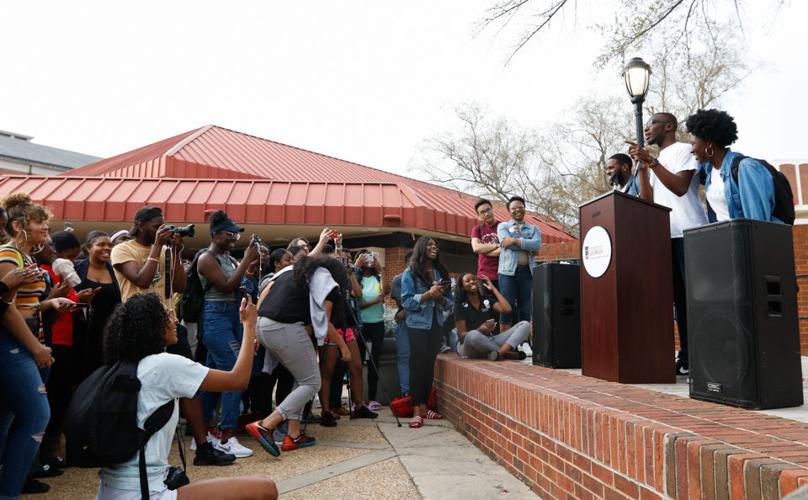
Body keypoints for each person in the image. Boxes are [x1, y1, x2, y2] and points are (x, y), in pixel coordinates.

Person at [96, 293, 278, 500]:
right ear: (151, 326)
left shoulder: (120, 368)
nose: (175, 320)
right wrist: (249, 326)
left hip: (110, 490)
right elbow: (238, 381)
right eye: (167, 316)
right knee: (265, 489)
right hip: (144, 493)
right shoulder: (163, 364)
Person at [111, 206, 233, 467]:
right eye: (155, 226)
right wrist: (157, 247)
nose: (160, 230)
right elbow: (141, 281)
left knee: (188, 385)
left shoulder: (167, 250)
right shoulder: (123, 249)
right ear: (140, 224)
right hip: (138, 326)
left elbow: (180, 286)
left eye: (162, 225)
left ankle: (203, 448)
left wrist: (175, 252)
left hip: (168, 323)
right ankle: (135, 446)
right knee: (139, 385)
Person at [0, 193, 74, 497]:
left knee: (7, 417)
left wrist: (51, 302)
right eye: (39, 222)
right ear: (19, 225)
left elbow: (26, 305)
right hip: (14, 343)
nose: (46, 228)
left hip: (27, 338)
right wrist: (36, 349)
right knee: (36, 416)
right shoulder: (9, 254)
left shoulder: (26, 257)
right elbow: (5, 309)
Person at [628, 113, 709, 376]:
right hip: (666, 237)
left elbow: (681, 187)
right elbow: (650, 200)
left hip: (691, 234)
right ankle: (686, 358)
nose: (647, 129)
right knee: (679, 302)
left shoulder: (685, 150)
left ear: (669, 126)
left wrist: (651, 162)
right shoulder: (655, 161)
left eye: (652, 124)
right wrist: (642, 168)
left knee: (696, 300)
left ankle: (706, 357)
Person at [246, 254, 351, 455]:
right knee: (312, 383)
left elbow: (265, 293)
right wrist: (342, 346)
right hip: (285, 327)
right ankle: (267, 424)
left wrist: (253, 330)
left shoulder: (292, 272)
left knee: (302, 378)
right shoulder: (327, 282)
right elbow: (326, 321)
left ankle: (293, 435)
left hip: (263, 325)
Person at [197, 210, 258, 458]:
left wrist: (247, 266)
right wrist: (245, 261)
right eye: (229, 233)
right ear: (215, 234)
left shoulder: (229, 259)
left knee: (214, 378)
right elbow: (226, 285)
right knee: (235, 373)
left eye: (236, 234)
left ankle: (202, 433)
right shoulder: (205, 258)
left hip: (233, 316)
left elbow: (240, 286)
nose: (234, 237)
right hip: (215, 317)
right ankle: (227, 436)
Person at [686, 109, 783, 223]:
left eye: (693, 144)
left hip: (747, 238)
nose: (691, 150)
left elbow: (758, 222)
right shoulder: (709, 171)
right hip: (726, 238)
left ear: (709, 143)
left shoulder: (746, 168)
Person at [318, 248, 378, 427]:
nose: (343, 262)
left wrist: (351, 273)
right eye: (340, 259)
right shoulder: (326, 280)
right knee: (327, 371)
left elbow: (357, 293)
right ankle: (326, 410)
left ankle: (359, 406)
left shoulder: (346, 277)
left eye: (346, 259)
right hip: (331, 327)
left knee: (357, 367)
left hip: (348, 325)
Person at [400, 236, 452, 429]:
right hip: (418, 325)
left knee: (429, 366)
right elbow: (406, 302)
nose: (434, 247)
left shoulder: (440, 271)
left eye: (435, 245)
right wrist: (428, 294)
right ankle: (415, 410)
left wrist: (440, 298)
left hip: (436, 323)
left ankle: (424, 407)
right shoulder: (410, 273)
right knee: (417, 365)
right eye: (430, 245)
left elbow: (450, 301)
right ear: (421, 248)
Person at [74, 231, 122, 381]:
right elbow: (64, 296)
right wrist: (78, 299)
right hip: (81, 333)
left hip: (109, 333)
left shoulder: (117, 271)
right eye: (101, 244)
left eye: (110, 245)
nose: (107, 248)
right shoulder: (76, 268)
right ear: (89, 248)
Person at [455, 274, 530, 360]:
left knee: (525, 324)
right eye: (468, 281)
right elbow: (462, 335)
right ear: (463, 287)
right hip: (470, 346)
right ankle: (506, 354)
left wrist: (493, 289)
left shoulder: (486, 300)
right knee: (473, 334)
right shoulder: (459, 306)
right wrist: (480, 330)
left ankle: (499, 353)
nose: (472, 281)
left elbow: (507, 309)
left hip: (490, 340)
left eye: (474, 279)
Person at [496, 196, 541, 330]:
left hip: (527, 272)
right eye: (514, 208)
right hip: (507, 273)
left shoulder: (534, 228)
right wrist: (527, 244)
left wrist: (515, 240)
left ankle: (523, 342)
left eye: (520, 207)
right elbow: (506, 244)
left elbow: (537, 245)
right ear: (509, 211)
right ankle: (504, 342)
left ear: (524, 209)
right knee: (507, 307)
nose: (517, 210)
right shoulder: (503, 226)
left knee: (525, 308)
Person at [354, 250, 385, 411]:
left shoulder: (377, 277)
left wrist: (381, 269)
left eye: (371, 257)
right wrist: (374, 301)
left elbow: (385, 292)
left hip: (377, 323)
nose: (369, 260)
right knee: (357, 363)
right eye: (365, 257)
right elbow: (355, 303)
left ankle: (372, 398)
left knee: (374, 362)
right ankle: (357, 401)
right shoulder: (356, 278)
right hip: (361, 325)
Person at [389, 250, 412, 397]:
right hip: (405, 324)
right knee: (404, 357)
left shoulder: (425, 278)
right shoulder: (399, 279)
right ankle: (406, 393)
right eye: (412, 262)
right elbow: (402, 303)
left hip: (423, 323)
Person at [470, 199, 500, 289]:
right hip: (484, 275)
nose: (486, 214)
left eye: (488, 210)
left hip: (502, 273)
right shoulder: (477, 229)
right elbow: (476, 248)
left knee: (504, 302)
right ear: (479, 215)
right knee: (487, 302)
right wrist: (497, 245)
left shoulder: (503, 227)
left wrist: (483, 250)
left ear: (492, 209)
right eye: (482, 212)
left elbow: (504, 250)